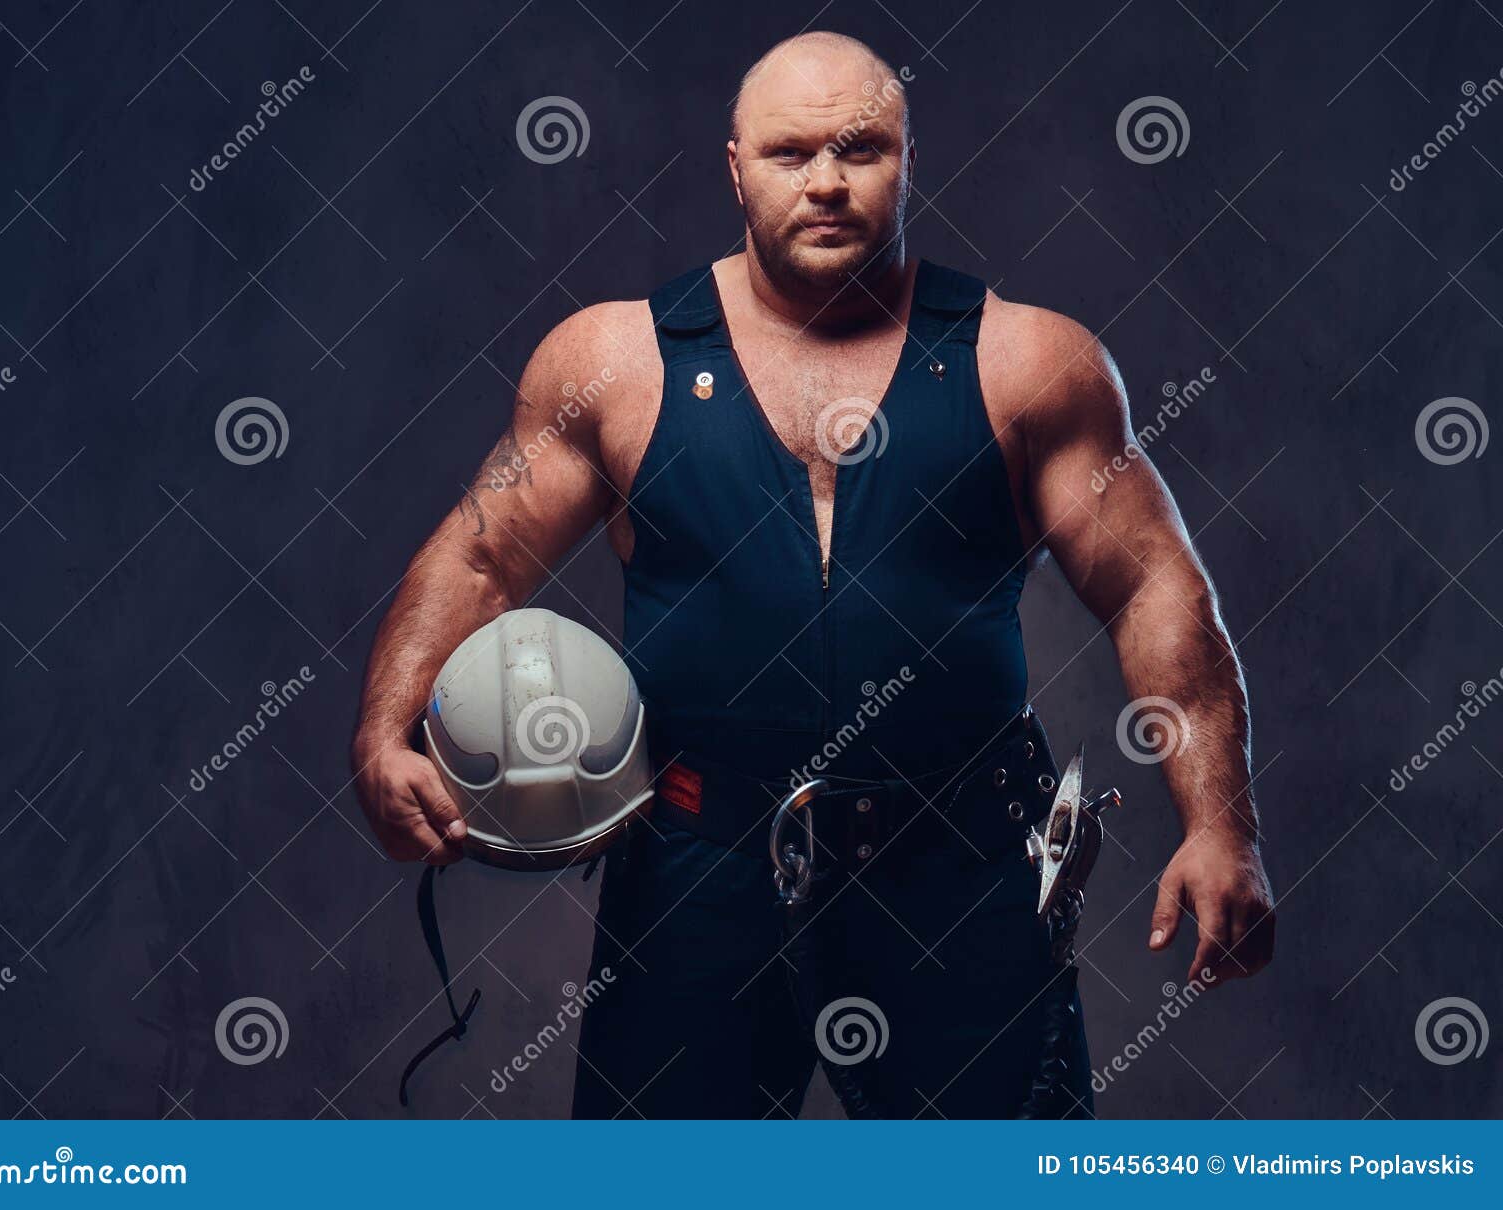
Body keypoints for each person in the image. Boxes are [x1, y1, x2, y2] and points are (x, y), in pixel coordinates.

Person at [352, 30, 1275, 1119]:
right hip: (699, 867)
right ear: (735, 167)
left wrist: (1222, 825)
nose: (828, 182)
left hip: (959, 867)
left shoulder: (1029, 363)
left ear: (907, 160)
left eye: (861, 149)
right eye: (793, 154)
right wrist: (383, 734)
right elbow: (481, 551)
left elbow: (1152, 589)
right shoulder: (612, 364)